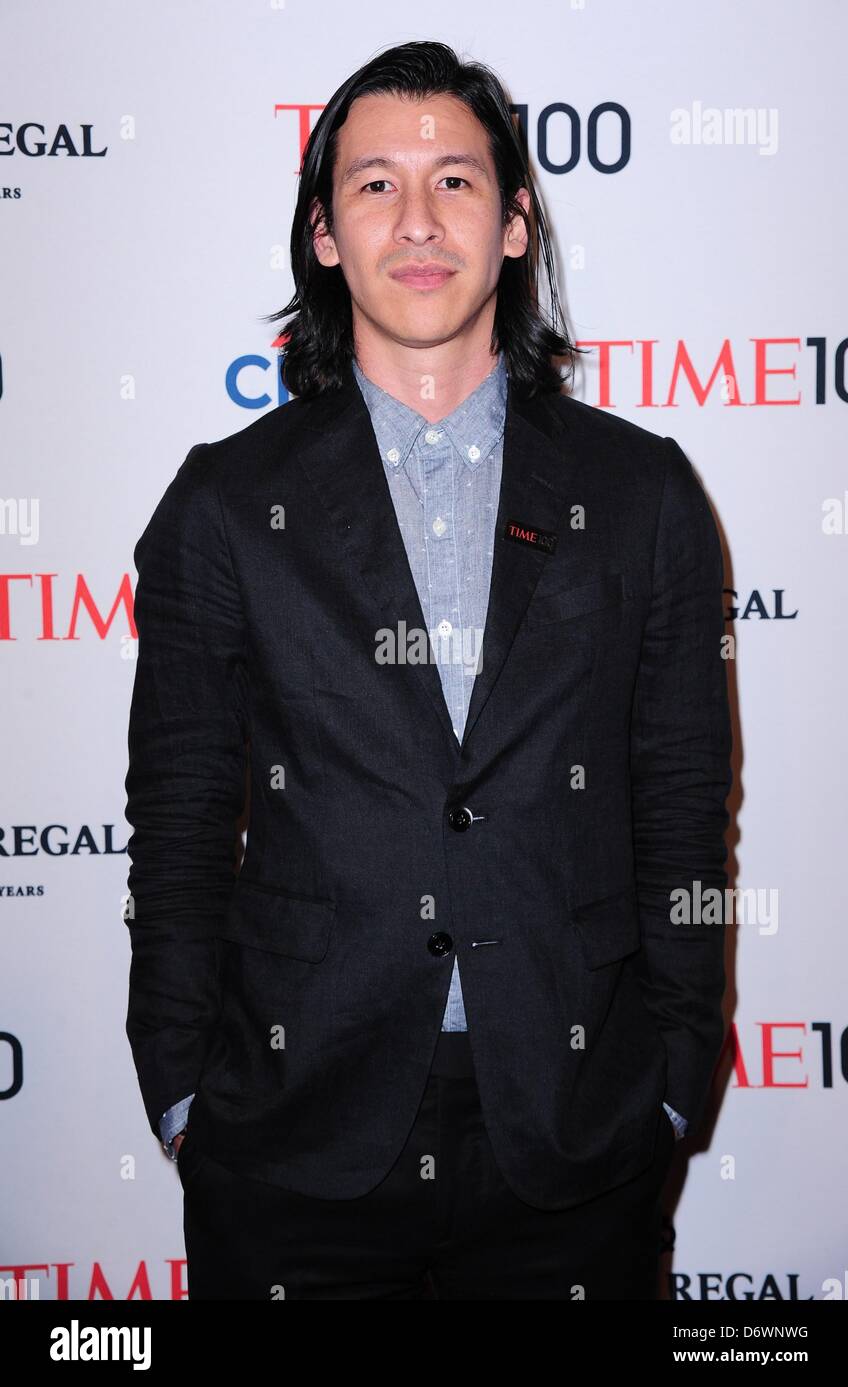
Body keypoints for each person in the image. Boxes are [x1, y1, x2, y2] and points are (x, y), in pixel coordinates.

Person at [124, 39, 732, 1300]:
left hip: (576, 1132)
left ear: (514, 227)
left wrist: (676, 1078)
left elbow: (682, 808)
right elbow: (179, 820)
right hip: (295, 1136)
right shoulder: (228, 505)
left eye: (456, 182)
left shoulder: (643, 494)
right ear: (325, 235)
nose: (417, 219)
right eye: (375, 185)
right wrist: (182, 1085)